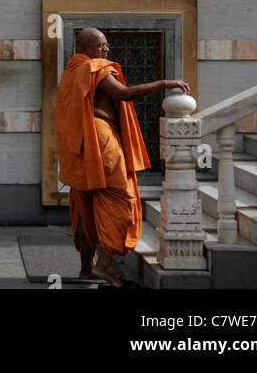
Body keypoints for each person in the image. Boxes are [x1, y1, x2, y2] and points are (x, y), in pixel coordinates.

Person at [55, 27, 190, 287]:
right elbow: (123, 94)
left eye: (106, 45)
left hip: (80, 144)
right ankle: (104, 266)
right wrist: (165, 83)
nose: (105, 50)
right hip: (101, 139)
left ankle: (86, 269)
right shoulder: (94, 67)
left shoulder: (72, 69)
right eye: (99, 46)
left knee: (85, 206)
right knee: (121, 200)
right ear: (84, 48)